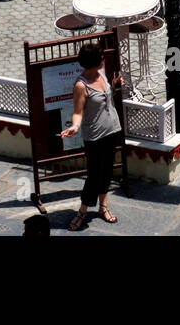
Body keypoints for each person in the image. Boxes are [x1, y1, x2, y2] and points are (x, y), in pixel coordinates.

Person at [60, 43, 124, 230]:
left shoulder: (101, 73)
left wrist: (115, 86)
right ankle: (82, 211)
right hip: (95, 136)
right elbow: (78, 111)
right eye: (101, 57)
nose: (104, 59)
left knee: (107, 171)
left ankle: (103, 207)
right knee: (94, 176)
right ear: (95, 61)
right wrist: (75, 126)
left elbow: (107, 97)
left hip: (112, 129)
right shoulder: (81, 85)